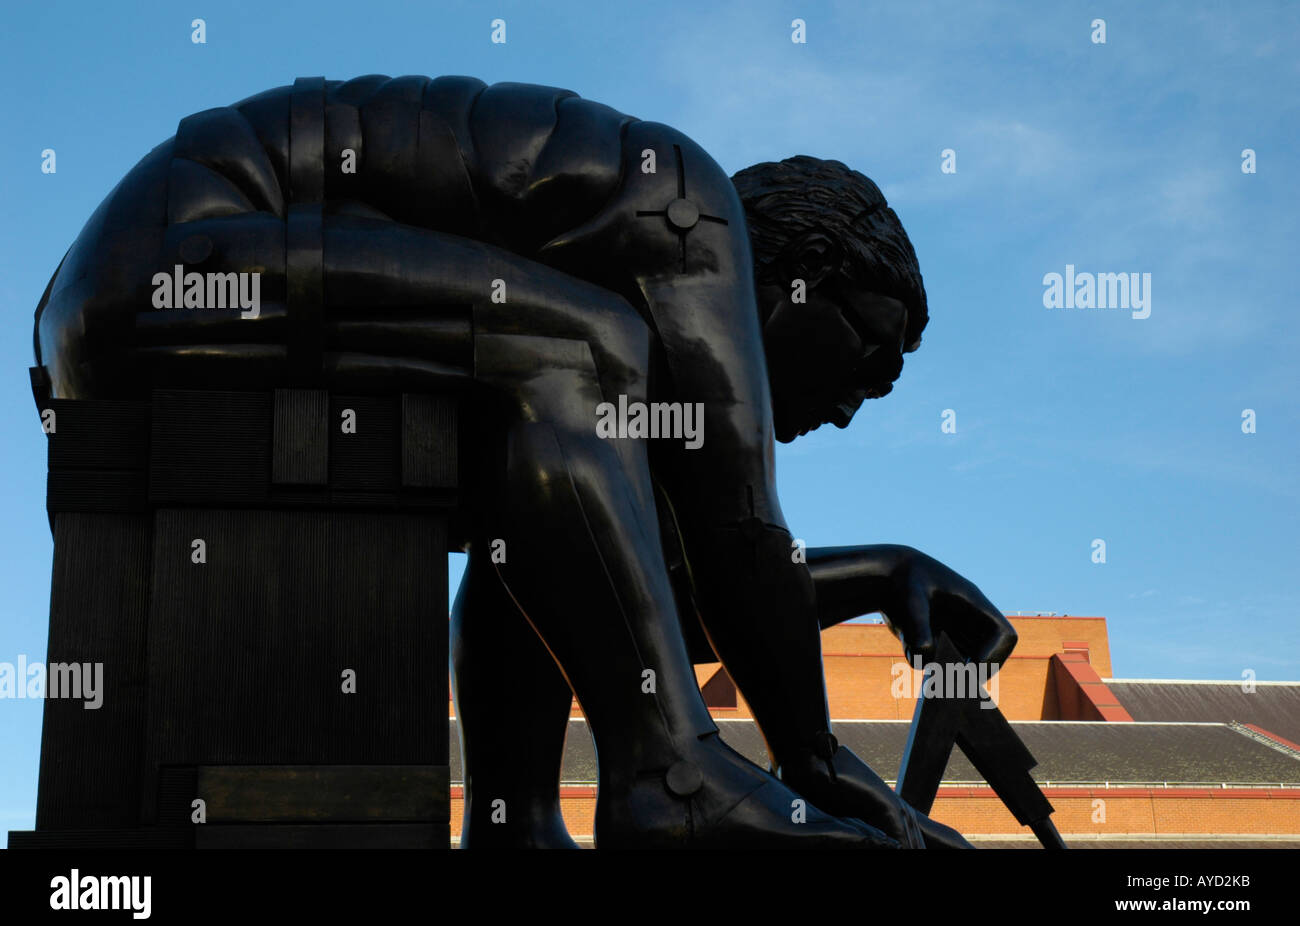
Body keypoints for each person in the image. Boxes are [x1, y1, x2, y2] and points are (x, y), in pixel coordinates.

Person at [33, 75, 1014, 848]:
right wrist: (811, 760)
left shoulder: (620, 399)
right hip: (180, 259)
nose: (846, 410)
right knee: (576, 346)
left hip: (145, 287)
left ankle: (516, 821)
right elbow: (738, 530)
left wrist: (881, 575)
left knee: (555, 493)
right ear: (805, 285)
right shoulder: (692, 208)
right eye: (866, 366)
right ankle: (667, 782)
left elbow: (659, 583)